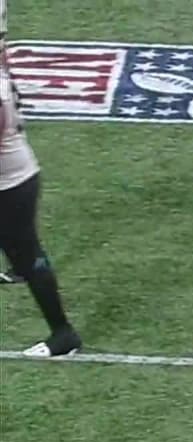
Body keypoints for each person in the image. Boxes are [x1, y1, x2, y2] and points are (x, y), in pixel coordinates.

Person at [0, 1, 81, 356]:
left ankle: (63, 335)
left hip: (11, 182)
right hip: (12, 174)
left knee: (29, 253)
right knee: (19, 250)